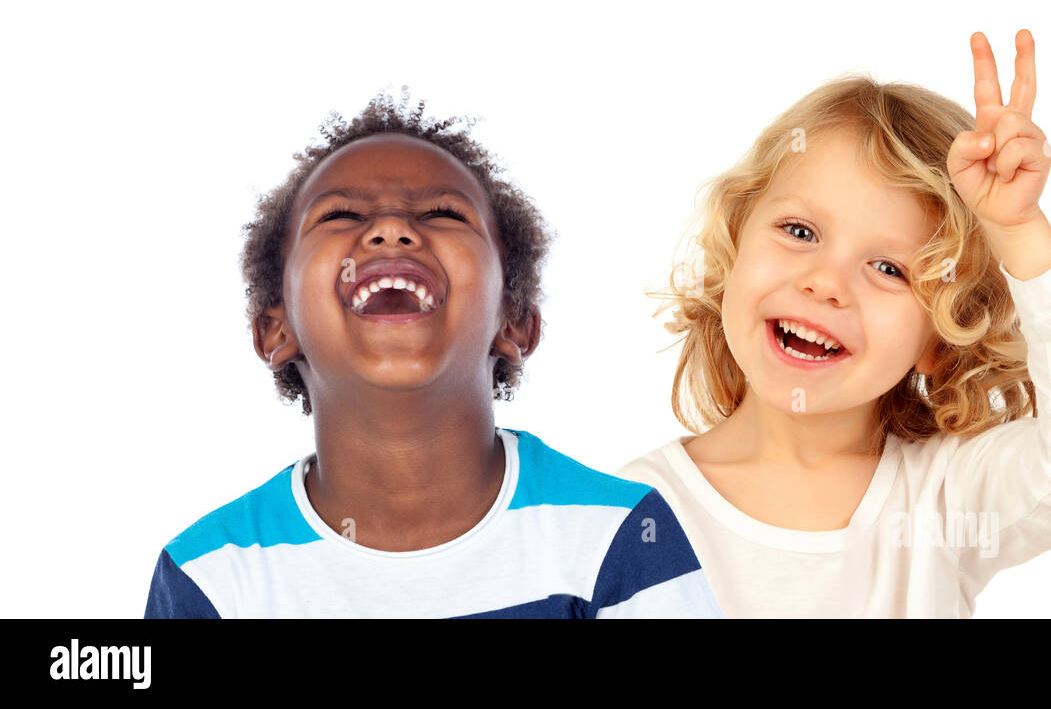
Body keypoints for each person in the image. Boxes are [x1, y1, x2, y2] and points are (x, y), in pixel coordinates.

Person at [618, 31, 1051, 617]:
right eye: (799, 231)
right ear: (734, 245)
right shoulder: (633, 514)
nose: (826, 281)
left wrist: (1019, 231)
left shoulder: (945, 500)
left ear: (941, 340)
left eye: (890, 269)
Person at [145, 87, 722, 618]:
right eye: (340, 215)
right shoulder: (207, 578)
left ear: (514, 323)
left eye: (443, 214)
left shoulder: (617, 536)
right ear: (275, 331)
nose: (391, 228)